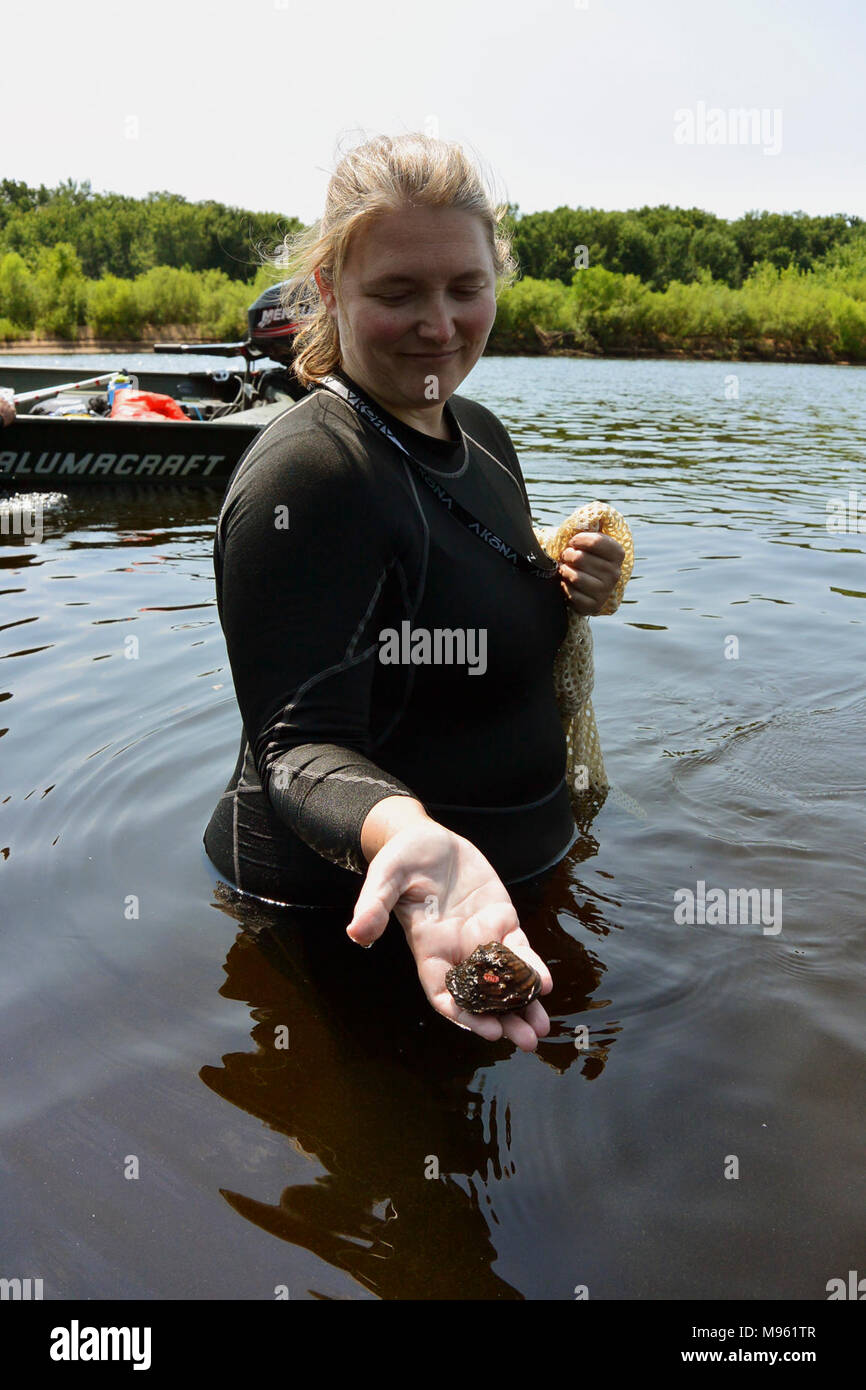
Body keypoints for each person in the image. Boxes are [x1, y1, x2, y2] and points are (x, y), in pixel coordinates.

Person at [203, 133, 624, 1051]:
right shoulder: (308, 476)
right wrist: (409, 839)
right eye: (398, 293)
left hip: (510, 897)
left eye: (466, 288)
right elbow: (301, 748)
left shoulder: (480, 431)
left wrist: (571, 577)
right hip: (356, 932)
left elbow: (464, 589)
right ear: (329, 291)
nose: (440, 324)